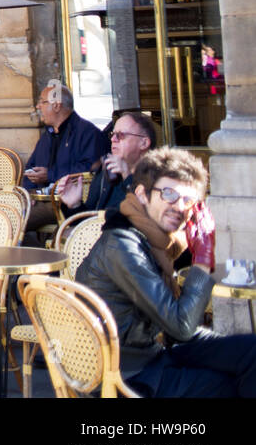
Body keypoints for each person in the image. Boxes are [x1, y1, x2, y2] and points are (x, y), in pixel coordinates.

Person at [77, 147, 256, 396]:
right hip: (125, 371)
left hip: (153, 347)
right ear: (142, 195)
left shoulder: (161, 242)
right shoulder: (122, 245)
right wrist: (203, 258)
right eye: (169, 194)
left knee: (251, 352)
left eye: (188, 200)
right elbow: (181, 326)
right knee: (227, 383)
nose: (179, 207)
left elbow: (178, 326)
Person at [23, 82, 109, 231]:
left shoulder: (87, 132)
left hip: (66, 202)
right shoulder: (47, 135)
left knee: (10, 222)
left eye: (42, 102)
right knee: (3, 216)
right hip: (40, 201)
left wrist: (50, 175)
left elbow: (90, 169)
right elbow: (30, 167)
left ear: (56, 105)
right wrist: (28, 193)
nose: (38, 107)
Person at [56, 110, 154, 215]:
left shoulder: (157, 176)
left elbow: (143, 220)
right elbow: (88, 223)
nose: (113, 139)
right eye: (112, 134)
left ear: (144, 143)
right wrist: (75, 205)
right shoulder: (106, 172)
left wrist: (127, 177)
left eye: (121, 135)